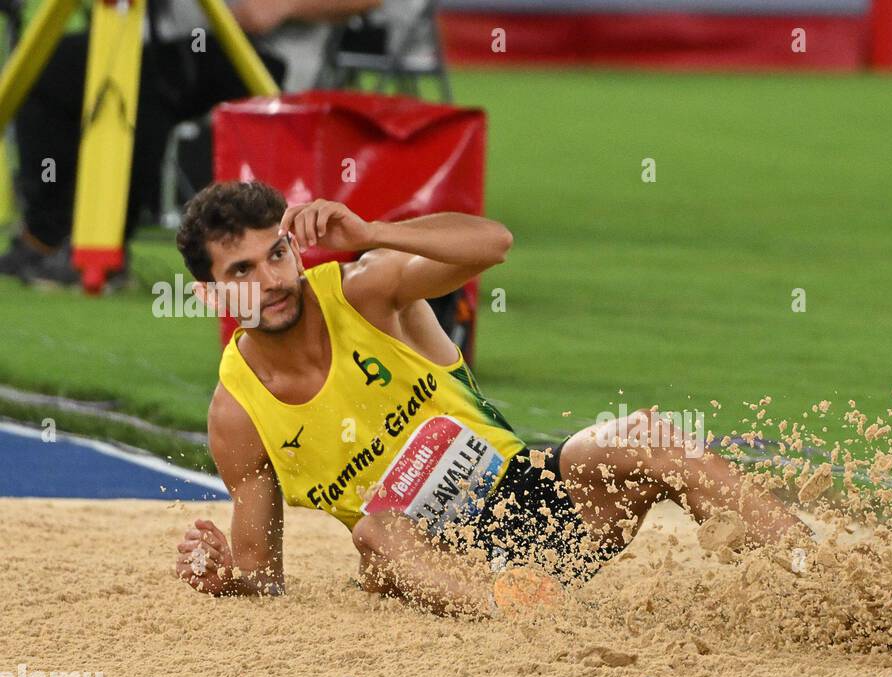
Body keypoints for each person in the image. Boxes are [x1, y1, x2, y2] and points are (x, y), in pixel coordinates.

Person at [172, 180, 809, 615]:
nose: (272, 281)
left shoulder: (367, 290)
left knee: (645, 433)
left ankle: (825, 583)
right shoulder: (237, 413)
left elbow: (493, 244)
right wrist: (223, 573)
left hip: (541, 507)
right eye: (241, 272)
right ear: (209, 295)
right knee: (378, 526)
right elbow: (261, 575)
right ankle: (528, 613)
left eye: (276, 255)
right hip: (437, 567)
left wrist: (373, 231)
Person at [0, 0, 379, 288]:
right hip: (150, 34)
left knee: (142, 89)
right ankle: (45, 234)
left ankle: (105, 251)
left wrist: (286, 4)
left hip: (259, 50)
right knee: (47, 68)